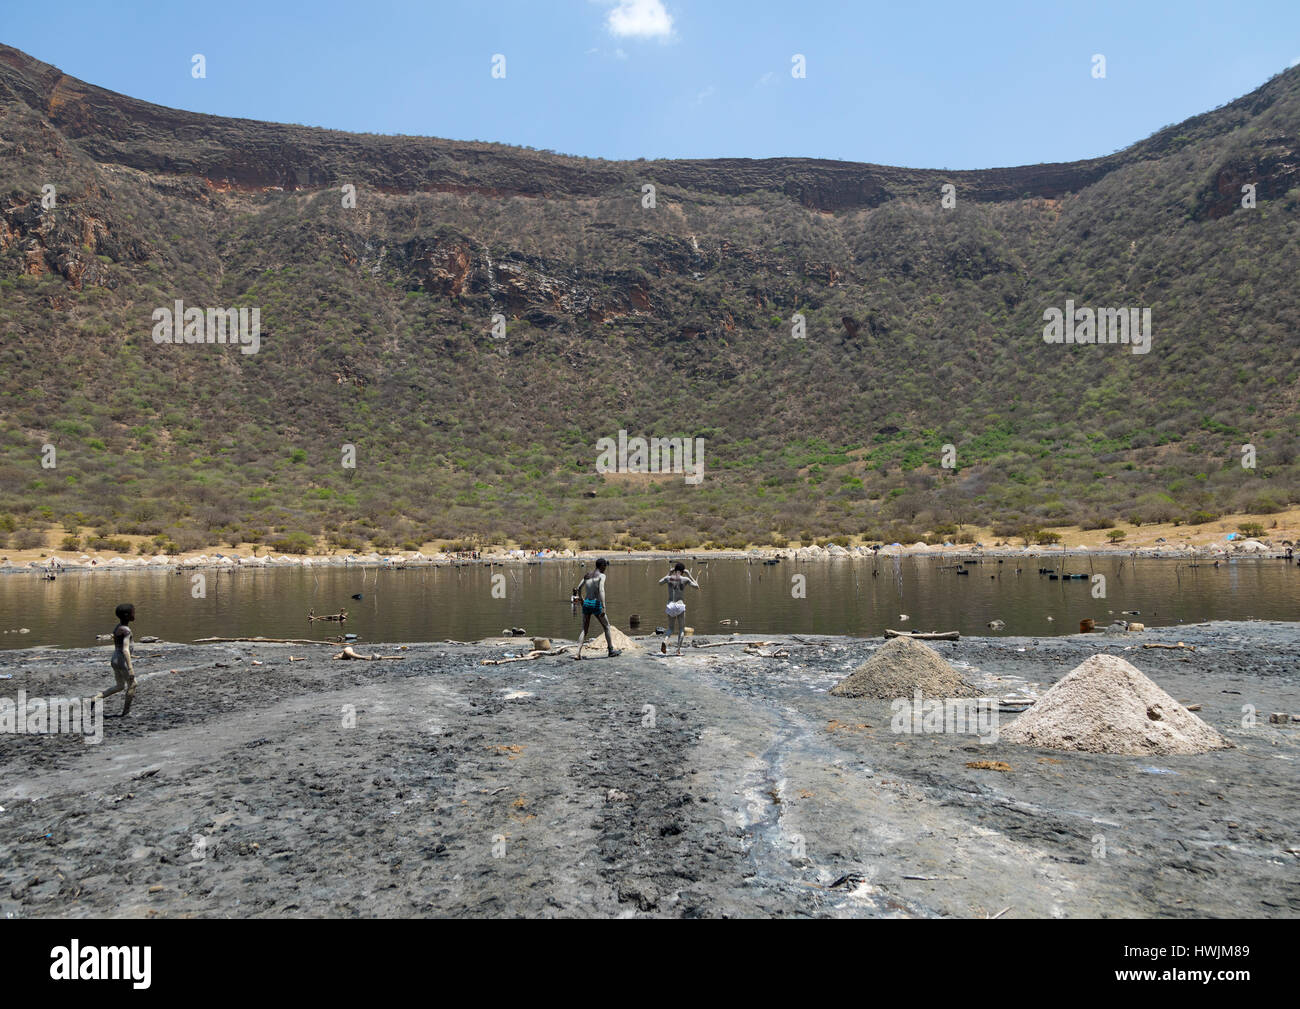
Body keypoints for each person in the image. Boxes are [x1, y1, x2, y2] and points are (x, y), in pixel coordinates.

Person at [572, 558, 620, 660]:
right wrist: (603, 606)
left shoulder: (587, 575)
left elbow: (579, 588)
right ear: (601, 566)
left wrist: (581, 599)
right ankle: (611, 650)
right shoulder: (601, 576)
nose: (605, 568)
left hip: (587, 603)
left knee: (584, 629)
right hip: (596, 603)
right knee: (607, 626)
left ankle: (577, 653)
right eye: (605, 566)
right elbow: (601, 590)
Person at [99, 603, 137, 717]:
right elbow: (126, 650)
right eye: (133, 613)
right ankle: (126, 712)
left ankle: (94, 699)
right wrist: (130, 668)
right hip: (121, 661)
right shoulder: (126, 630)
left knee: (120, 686)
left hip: (114, 659)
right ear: (127, 616)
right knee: (133, 685)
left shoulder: (118, 627)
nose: (134, 614)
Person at [658, 562, 699, 655]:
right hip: (680, 605)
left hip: (670, 605)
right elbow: (697, 586)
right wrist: (689, 575)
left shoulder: (669, 578)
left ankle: (665, 641)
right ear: (683, 571)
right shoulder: (685, 579)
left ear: (675, 570)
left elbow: (660, 582)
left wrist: (669, 573)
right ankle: (678, 651)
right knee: (681, 629)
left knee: (670, 628)